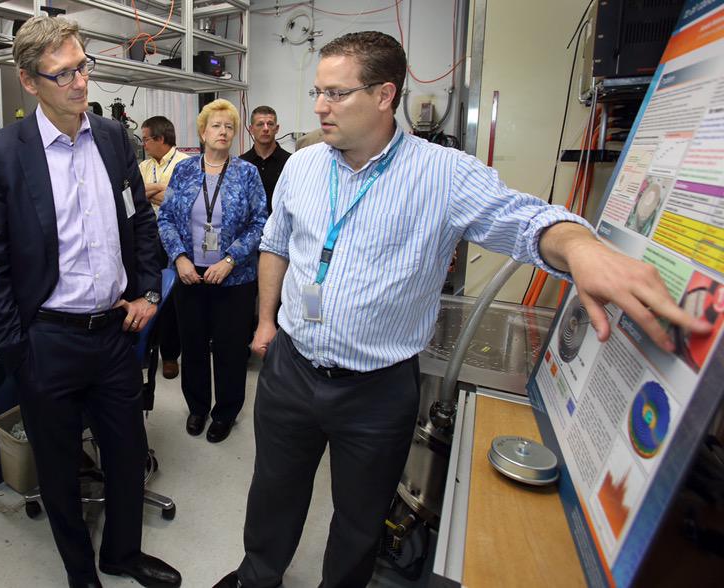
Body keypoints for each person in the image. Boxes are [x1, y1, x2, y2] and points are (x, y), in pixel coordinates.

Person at [214, 32, 712, 588]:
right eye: (318, 91)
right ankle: (257, 576)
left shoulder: (444, 174)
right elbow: (277, 245)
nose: (319, 106)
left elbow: (525, 220)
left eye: (336, 93)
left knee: (359, 519)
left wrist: (580, 247)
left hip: (376, 392)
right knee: (272, 493)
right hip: (292, 370)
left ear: (384, 95)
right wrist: (264, 322)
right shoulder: (304, 166)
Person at [0, 16, 181, 588]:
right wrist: (18, 348)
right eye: (63, 74)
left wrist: (149, 291)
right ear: (30, 81)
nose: (80, 83)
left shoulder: (112, 137)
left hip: (113, 332)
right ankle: (80, 570)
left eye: (84, 67)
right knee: (58, 466)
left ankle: (122, 555)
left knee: (128, 452)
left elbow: (140, 223)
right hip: (48, 340)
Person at [158, 99, 268, 443]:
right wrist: (179, 257)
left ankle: (225, 412)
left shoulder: (247, 173)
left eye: (229, 127)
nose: (223, 132)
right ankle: (197, 407)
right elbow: (165, 219)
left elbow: (260, 221)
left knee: (230, 348)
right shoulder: (185, 170)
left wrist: (231, 259)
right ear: (203, 132)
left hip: (233, 279)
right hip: (190, 277)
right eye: (217, 126)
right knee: (192, 345)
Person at [139, 115, 189, 379]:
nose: (144, 144)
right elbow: (132, 198)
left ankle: (170, 356)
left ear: (159, 138)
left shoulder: (187, 164)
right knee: (148, 293)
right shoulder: (143, 166)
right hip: (146, 239)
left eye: (146, 139)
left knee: (171, 301)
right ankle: (146, 352)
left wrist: (152, 192)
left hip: (175, 240)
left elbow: (183, 204)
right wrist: (161, 188)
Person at [240, 105, 291, 214]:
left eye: (270, 124)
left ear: (277, 129)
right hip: (250, 229)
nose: (266, 128)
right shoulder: (241, 164)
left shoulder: (290, 162)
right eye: (260, 124)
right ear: (251, 129)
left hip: (281, 228)